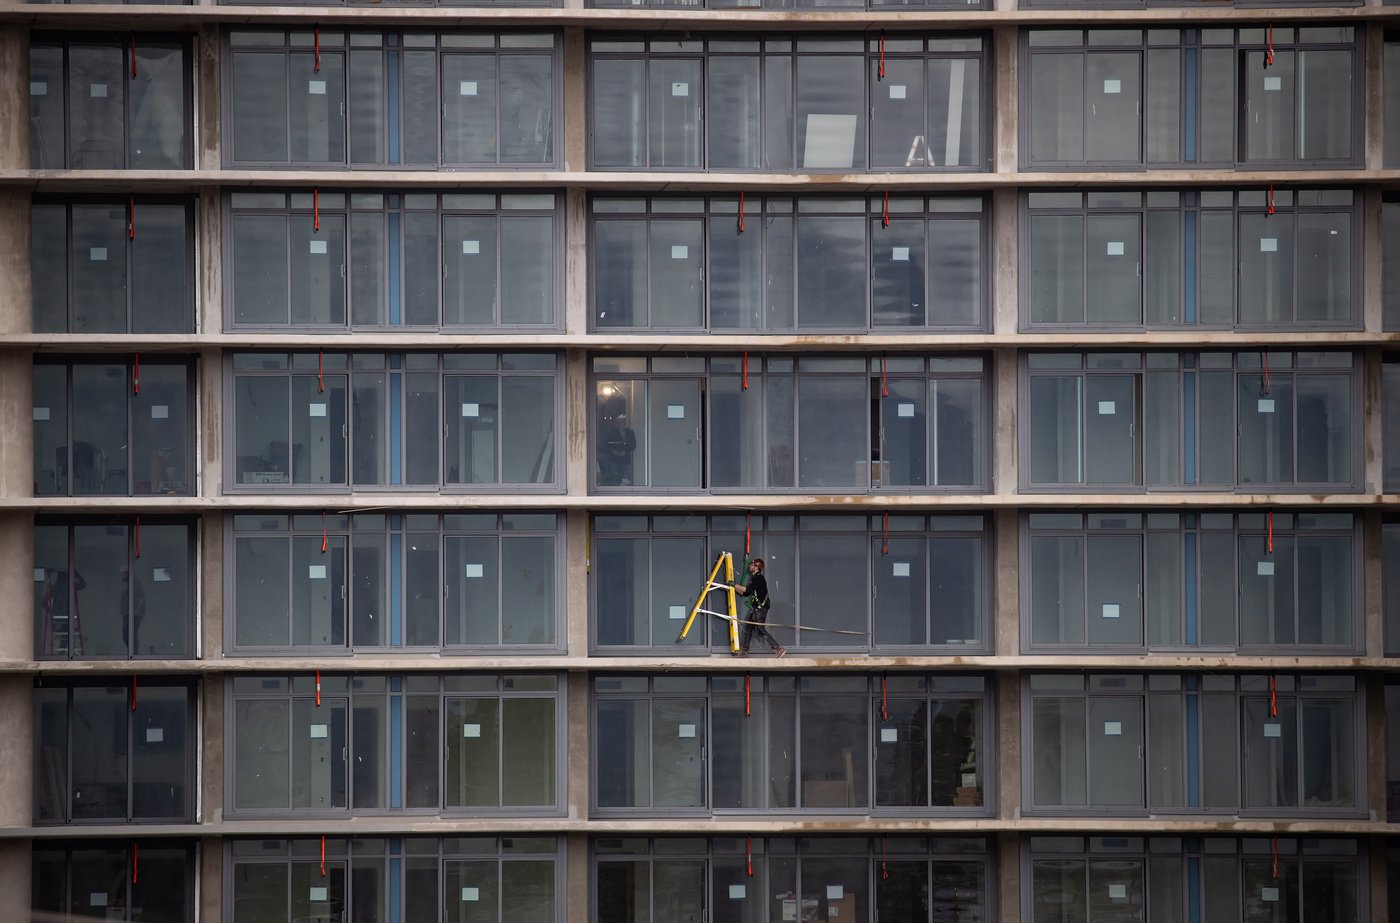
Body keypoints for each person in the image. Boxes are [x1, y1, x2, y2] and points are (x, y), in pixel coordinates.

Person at [732, 557, 785, 658]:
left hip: (760, 607)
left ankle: (778, 648)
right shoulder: (754, 578)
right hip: (756, 608)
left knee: (760, 628)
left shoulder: (759, 577)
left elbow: (749, 589)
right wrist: (733, 587)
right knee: (748, 628)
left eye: (752, 565)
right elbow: (746, 593)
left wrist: (734, 585)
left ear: (757, 568)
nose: (750, 566)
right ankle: (744, 652)